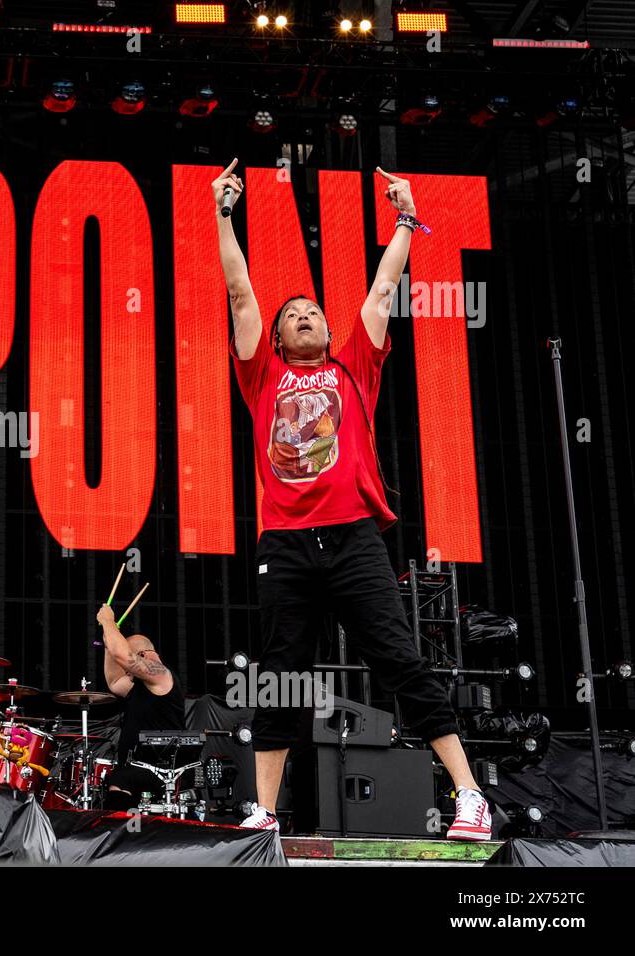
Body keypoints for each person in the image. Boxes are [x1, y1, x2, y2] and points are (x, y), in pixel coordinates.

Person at [213, 158, 491, 840]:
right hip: (284, 544)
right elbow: (241, 293)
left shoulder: (353, 368)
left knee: (400, 660)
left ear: (329, 333)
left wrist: (403, 218)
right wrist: (223, 215)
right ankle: (265, 813)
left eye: (313, 313)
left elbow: (385, 284)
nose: (304, 317)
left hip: (353, 536)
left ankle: (469, 797)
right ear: (276, 340)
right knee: (280, 676)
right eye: (293, 316)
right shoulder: (262, 374)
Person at [96, 604, 187, 811]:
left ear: (144, 655)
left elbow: (125, 658)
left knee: (122, 778)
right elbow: (114, 682)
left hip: (161, 767)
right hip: (139, 766)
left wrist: (108, 622)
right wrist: (110, 639)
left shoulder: (160, 673)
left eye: (130, 666)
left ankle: (121, 835)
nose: (126, 671)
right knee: (121, 774)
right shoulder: (139, 687)